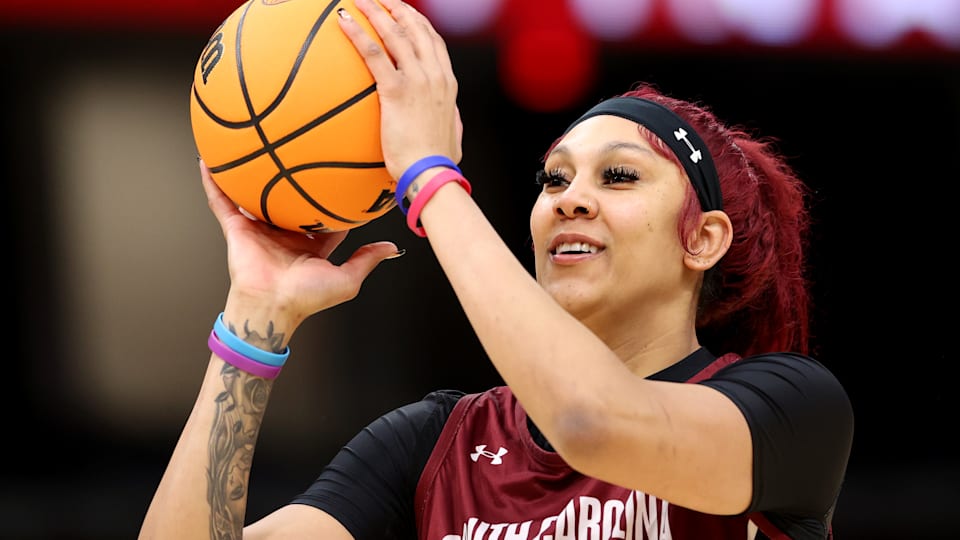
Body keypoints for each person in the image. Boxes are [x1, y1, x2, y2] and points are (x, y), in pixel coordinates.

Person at [138, 0, 854, 538]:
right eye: (553, 180)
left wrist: (428, 180)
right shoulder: (435, 444)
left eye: (619, 177)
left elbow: (591, 420)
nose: (570, 199)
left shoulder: (792, 408)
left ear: (702, 239)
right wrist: (254, 320)